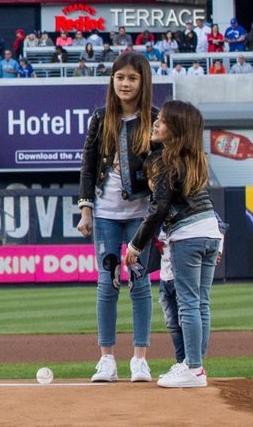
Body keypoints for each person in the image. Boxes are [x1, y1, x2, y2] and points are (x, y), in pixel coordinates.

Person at [123, 100, 221, 388]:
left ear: (176, 129)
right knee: (201, 303)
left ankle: (193, 368)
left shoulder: (167, 161)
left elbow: (160, 208)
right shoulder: (194, 157)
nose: (156, 123)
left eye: (163, 121)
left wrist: (135, 245)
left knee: (188, 303)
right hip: (210, 231)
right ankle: (194, 364)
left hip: (187, 235)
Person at [75, 50, 158, 384]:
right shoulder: (100, 118)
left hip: (141, 214)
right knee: (107, 284)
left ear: (142, 82)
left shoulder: (154, 118)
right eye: (120, 77)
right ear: (112, 80)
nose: (125, 83)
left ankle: (140, 358)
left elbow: (161, 168)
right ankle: (106, 358)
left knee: (140, 284)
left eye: (132, 78)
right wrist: (86, 210)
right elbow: (88, 164)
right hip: (106, 213)